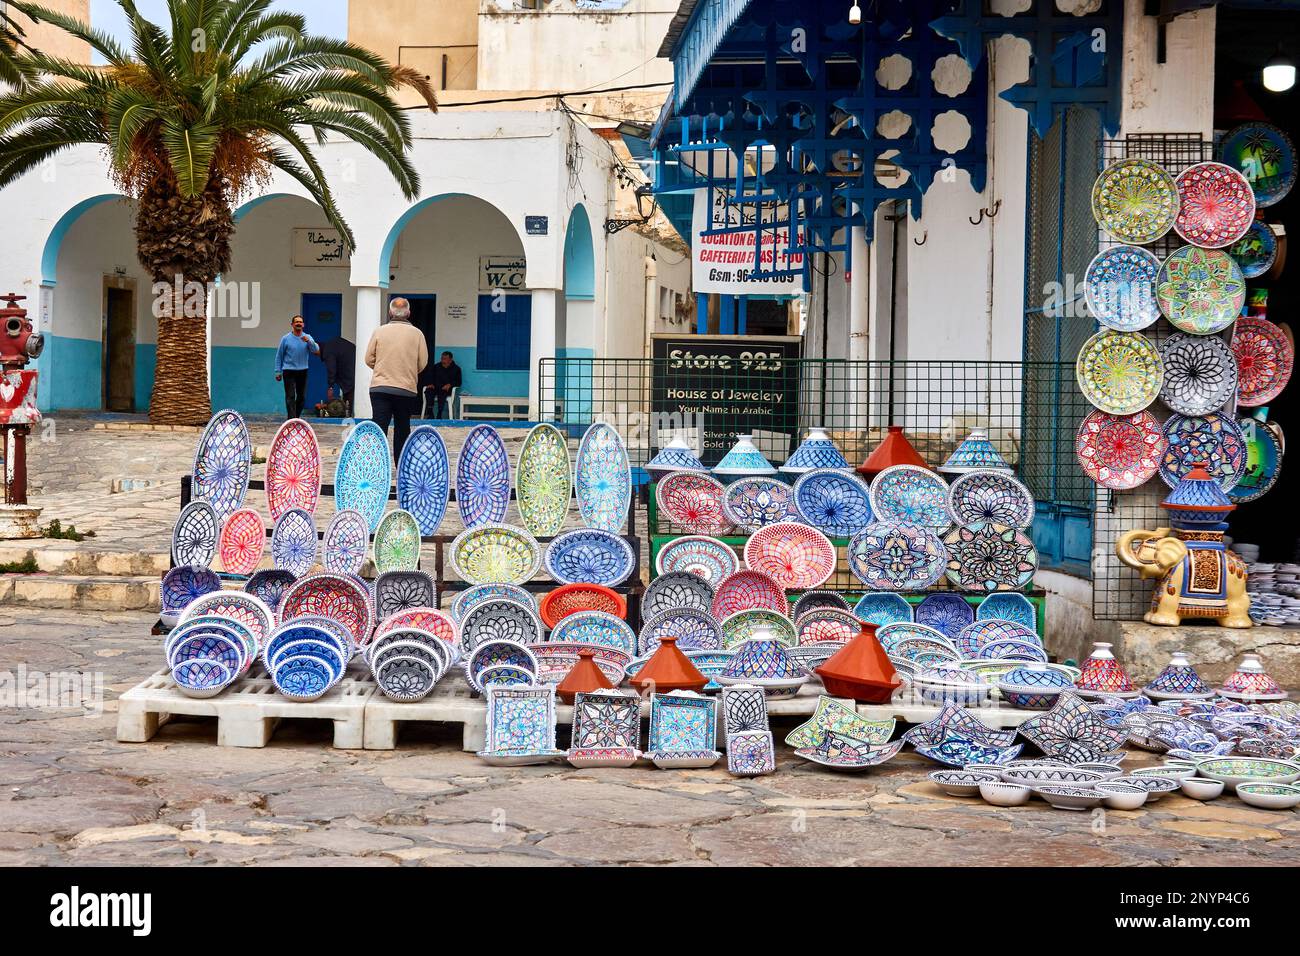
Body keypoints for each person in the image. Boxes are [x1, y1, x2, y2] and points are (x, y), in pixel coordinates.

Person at [365, 297, 428, 463]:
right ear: (408, 313)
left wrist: (382, 368)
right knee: (402, 428)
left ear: (390, 312)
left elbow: (368, 359)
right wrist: (407, 371)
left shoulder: (379, 331)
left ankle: (376, 466)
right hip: (405, 389)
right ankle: (400, 465)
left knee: (379, 427)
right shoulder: (417, 334)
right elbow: (422, 363)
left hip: (380, 388)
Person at [275, 315, 320, 420]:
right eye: (296, 322)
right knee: (290, 396)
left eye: (300, 322)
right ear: (292, 325)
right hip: (288, 371)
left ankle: (296, 418)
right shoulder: (285, 339)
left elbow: (315, 350)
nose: (299, 323)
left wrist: (309, 341)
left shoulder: (307, 337)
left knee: (302, 397)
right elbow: (279, 355)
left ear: (303, 325)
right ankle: (291, 420)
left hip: (303, 371)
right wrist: (278, 371)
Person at [318, 335, 356, 416]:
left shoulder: (327, 350)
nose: (316, 355)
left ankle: (349, 415)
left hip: (349, 371)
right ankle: (348, 413)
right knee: (349, 394)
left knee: (349, 395)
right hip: (353, 366)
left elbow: (331, 369)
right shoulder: (332, 345)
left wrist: (330, 387)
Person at [426, 351, 462, 419]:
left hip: (446, 389)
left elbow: (458, 382)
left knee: (442, 392)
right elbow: (430, 376)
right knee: (428, 391)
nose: (443, 360)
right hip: (435, 387)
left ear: (450, 360)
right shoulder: (436, 367)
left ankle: (439, 413)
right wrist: (430, 383)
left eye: (445, 359)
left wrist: (450, 384)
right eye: (442, 358)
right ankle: (430, 412)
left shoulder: (456, 369)